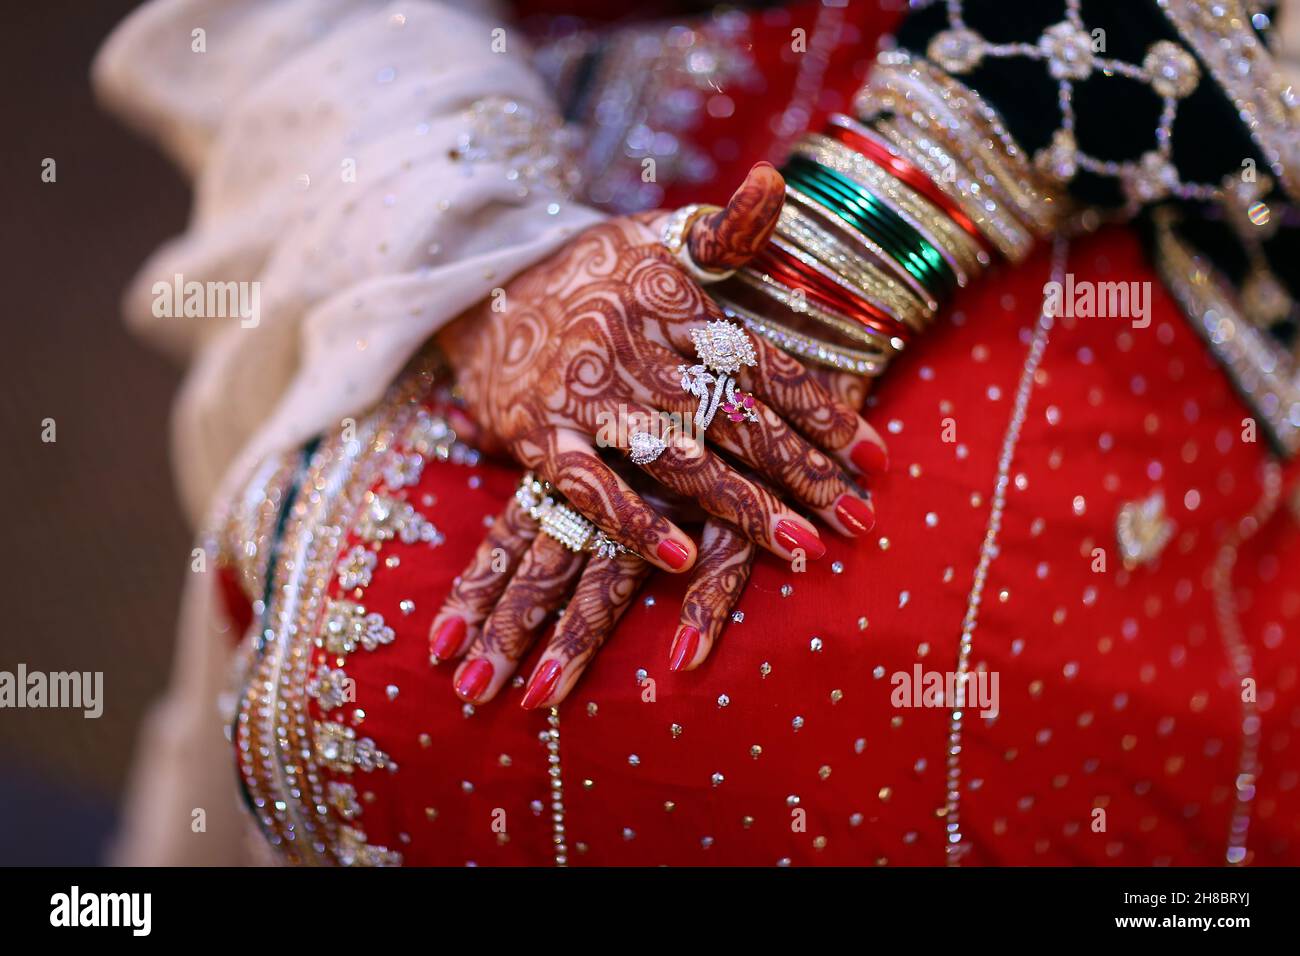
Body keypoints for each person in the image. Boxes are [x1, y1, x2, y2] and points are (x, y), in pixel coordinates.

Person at [97, 0, 1300, 866]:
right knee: (396, 629)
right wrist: (483, 253)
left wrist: (865, 228)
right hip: (472, 108)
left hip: (1107, 155)